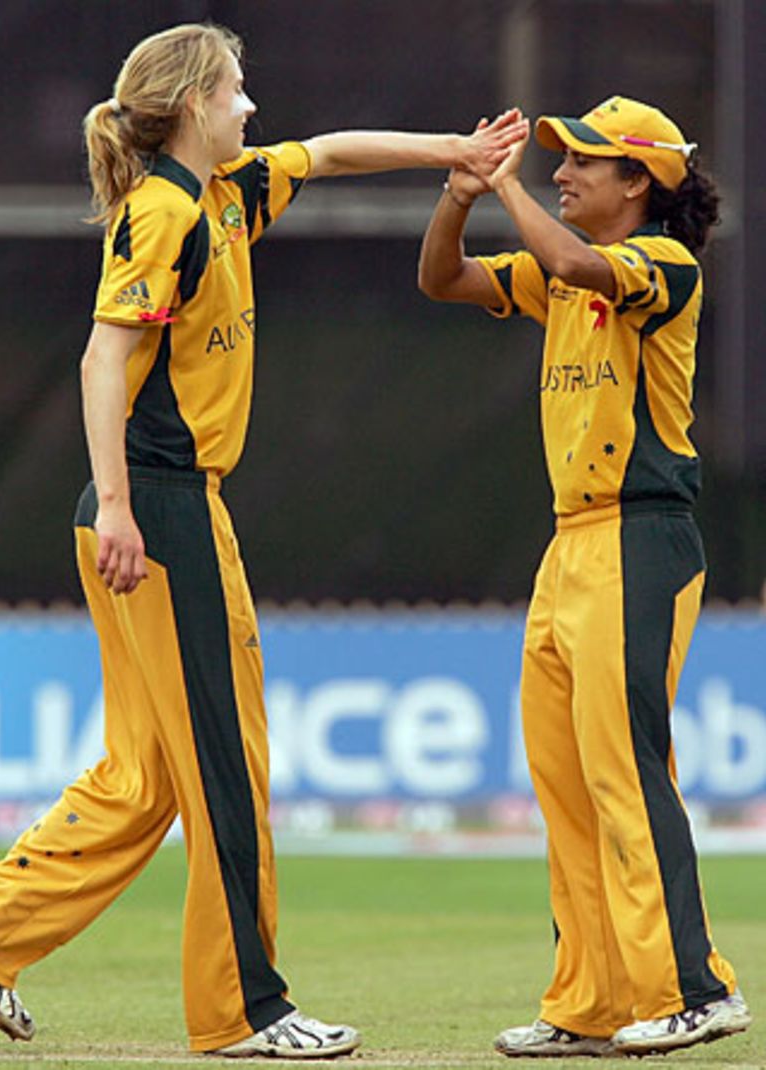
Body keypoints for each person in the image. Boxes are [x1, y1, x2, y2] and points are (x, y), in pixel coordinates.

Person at [0, 22, 524, 1059]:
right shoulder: (164, 211)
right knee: (225, 773)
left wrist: (453, 154)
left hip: (161, 509)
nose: (251, 106)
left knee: (147, 777)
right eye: (237, 90)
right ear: (194, 103)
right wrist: (119, 506)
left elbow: (326, 153)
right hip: (160, 512)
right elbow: (103, 361)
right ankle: (248, 1012)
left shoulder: (226, 192)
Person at [418, 97, 751, 1057]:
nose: (561, 174)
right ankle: (591, 1002)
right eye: (558, 162)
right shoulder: (560, 270)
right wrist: (458, 196)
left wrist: (505, 187)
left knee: (625, 771)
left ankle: (695, 988)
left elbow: (571, 263)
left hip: (640, 537)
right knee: (564, 783)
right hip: (571, 544)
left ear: (637, 180)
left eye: (582, 163)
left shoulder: (664, 265)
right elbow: (442, 278)